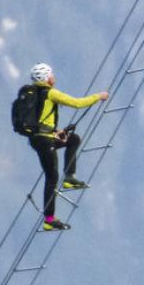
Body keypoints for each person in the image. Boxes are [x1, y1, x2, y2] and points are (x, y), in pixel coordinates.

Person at [23, 63, 108, 230]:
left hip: (39, 138)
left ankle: (69, 177)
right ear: (45, 78)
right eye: (51, 75)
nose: (53, 77)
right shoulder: (50, 93)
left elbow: (40, 120)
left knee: (73, 139)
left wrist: (55, 132)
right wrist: (98, 96)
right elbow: (77, 103)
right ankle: (49, 219)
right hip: (45, 141)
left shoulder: (32, 93)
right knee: (52, 177)